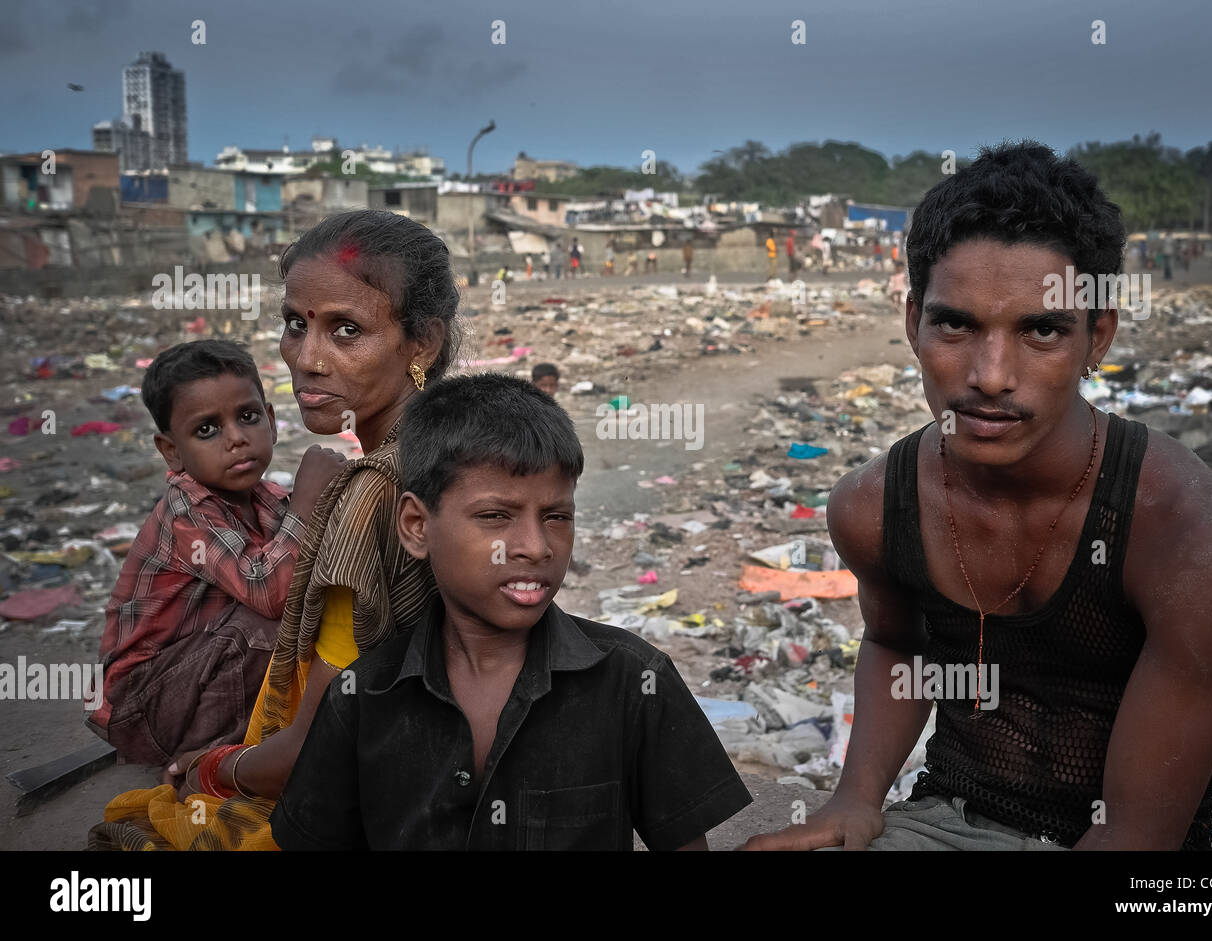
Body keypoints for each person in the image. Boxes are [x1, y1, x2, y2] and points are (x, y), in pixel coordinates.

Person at [745, 142, 1212, 853]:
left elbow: (1136, 836)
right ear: (913, 324)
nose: (991, 375)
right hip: (944, 816)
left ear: (1098, 337)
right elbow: (898, 642)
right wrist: (856, 798)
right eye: (956, 324)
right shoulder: (872, 507)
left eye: (1041, 329)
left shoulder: (1190, 537)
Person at [88, 209, 459, 851]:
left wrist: (214, 770)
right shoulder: (449, 450)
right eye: (296, 325)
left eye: (346, 330)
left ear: (421, 344)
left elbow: (314, 750)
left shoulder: (369, 495)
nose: (307, 359)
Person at [270, 375, 753, 850]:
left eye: (556, 517)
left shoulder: (633, 681)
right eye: (495, 516)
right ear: (417, 526)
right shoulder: (363, 697)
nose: (535, 547)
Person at [87, 340, 345, 766]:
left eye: (248, 417)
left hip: (190, 680)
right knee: (263, 624)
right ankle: (206, 760)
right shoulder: (187, 510)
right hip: (143, 703)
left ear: (272, 421)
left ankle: (262, 739)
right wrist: (307, 505)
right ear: (171, 451)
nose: (237, 439)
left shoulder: (264, 498)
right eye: (207, 429)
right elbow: (271, 592)